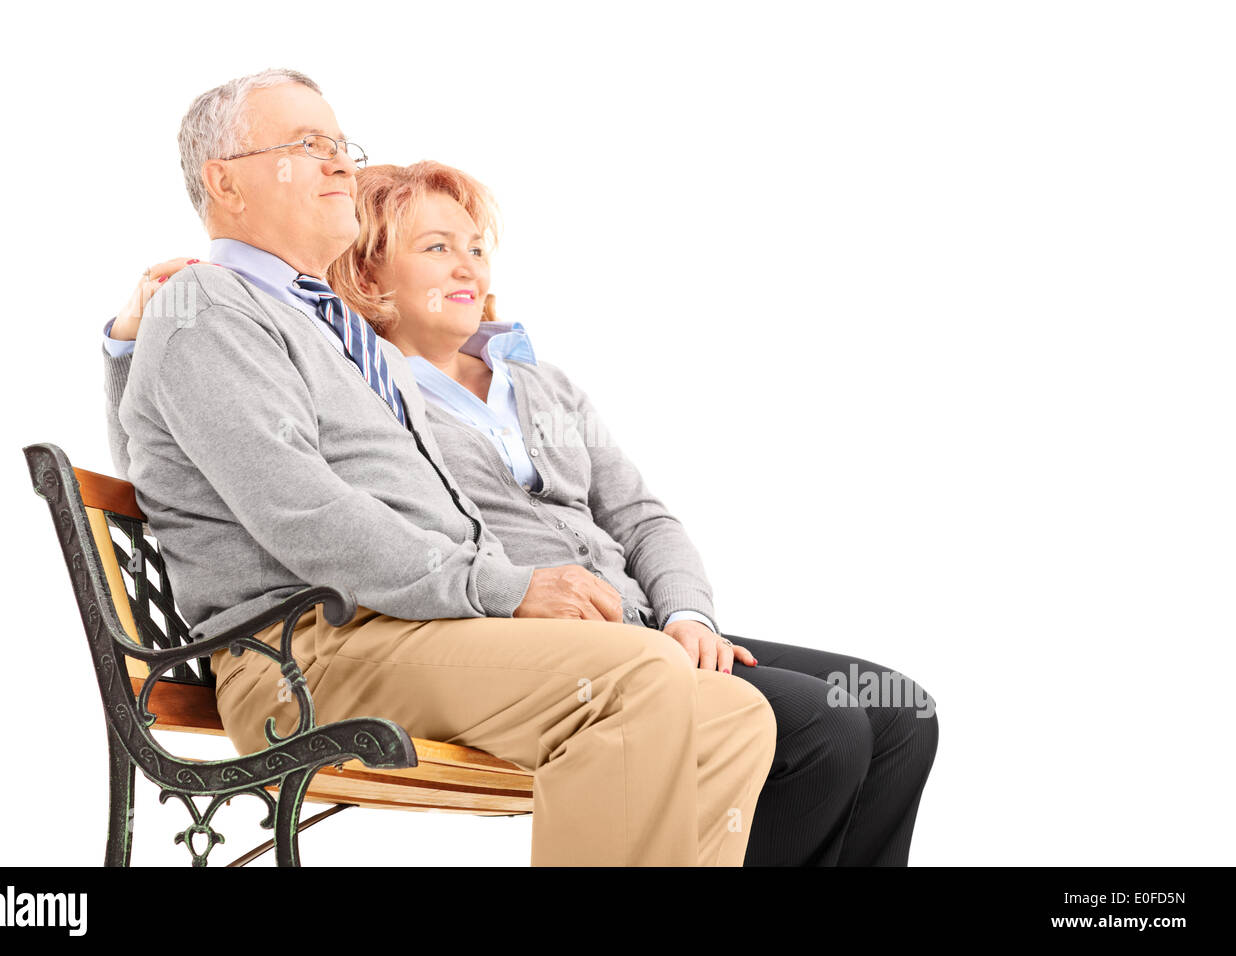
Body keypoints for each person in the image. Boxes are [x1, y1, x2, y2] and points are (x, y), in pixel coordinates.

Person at [104, 145, 940, 865]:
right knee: (821, 732)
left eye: (476, 246)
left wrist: (693, 614)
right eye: (437, 247)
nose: (471, 266)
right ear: (365, 271)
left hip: (633, 621)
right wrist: (128, 346)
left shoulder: (540, 384)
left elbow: (643, 514)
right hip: (511, 633)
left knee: (897, 709)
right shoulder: (364, 384)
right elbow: (212, 456)